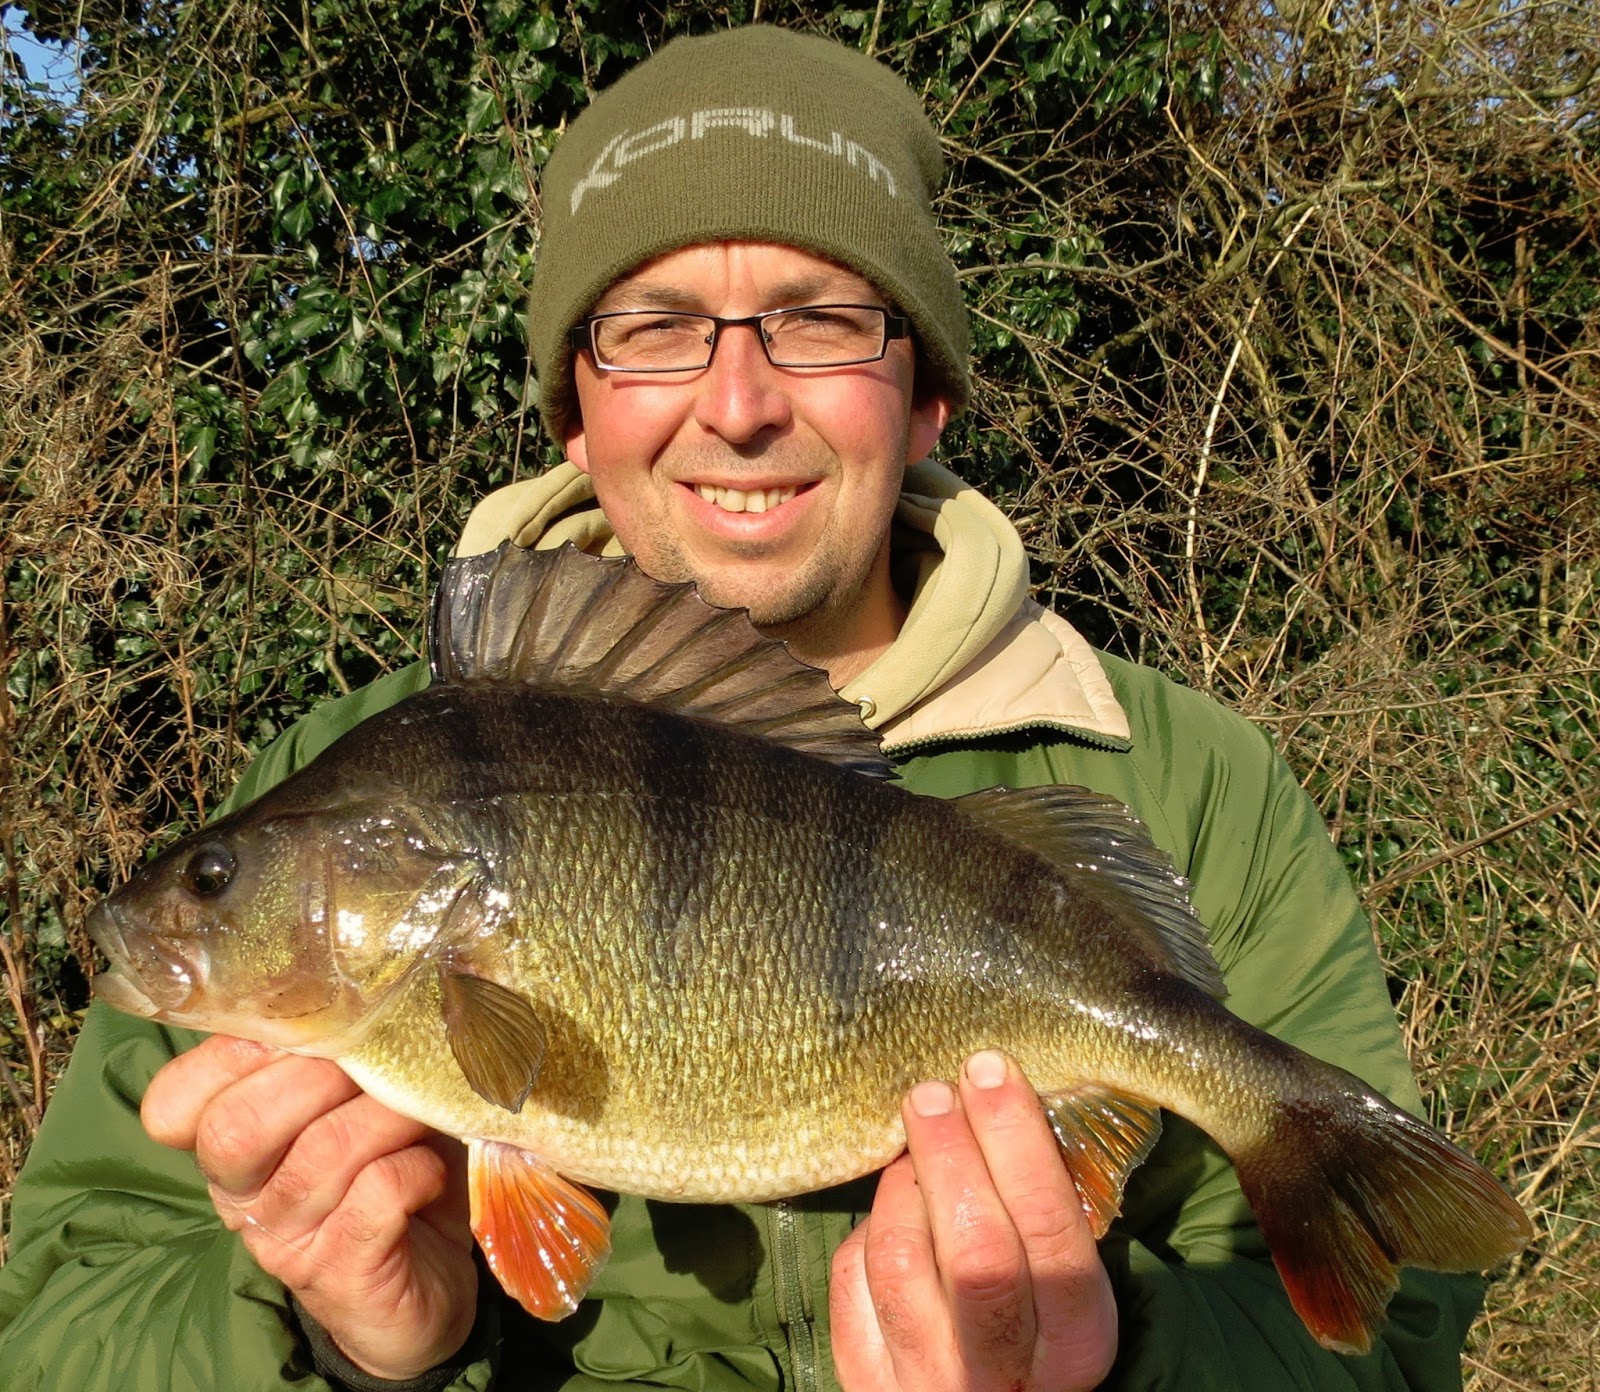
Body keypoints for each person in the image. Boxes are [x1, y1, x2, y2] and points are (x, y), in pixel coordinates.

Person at [0, 25, 1489, 1392]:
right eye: (652, 327)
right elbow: (60, 1331)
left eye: (818, 319)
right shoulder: (341, 767)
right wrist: (349, 1343)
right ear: (576, 411)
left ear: (924, 397)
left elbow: (1395, 1351)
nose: (737, 403)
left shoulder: (1191, 780)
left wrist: (1122, 1360)